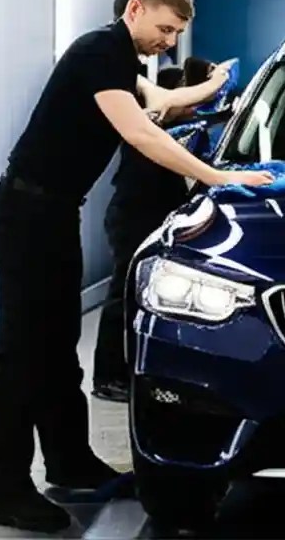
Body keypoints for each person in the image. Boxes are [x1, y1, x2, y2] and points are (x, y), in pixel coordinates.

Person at [0, 0, 273, 533]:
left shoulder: (120, 59)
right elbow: (142, 133)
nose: (169, 42)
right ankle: (3, 489)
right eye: (164, 29)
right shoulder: (97, 52)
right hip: (25, 215)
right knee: (21, 352)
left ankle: (72, 464)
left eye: (178, 33)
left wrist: (214, 87)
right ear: (135, 10)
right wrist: (218, 175)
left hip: (56, 212)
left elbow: (163, 100)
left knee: (60, 345)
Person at [92, 64, 194, 402]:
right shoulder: (152, 127)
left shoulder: (174, 128)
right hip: (133, 218)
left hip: (147, 216)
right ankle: (108, 378)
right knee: (123, 297)